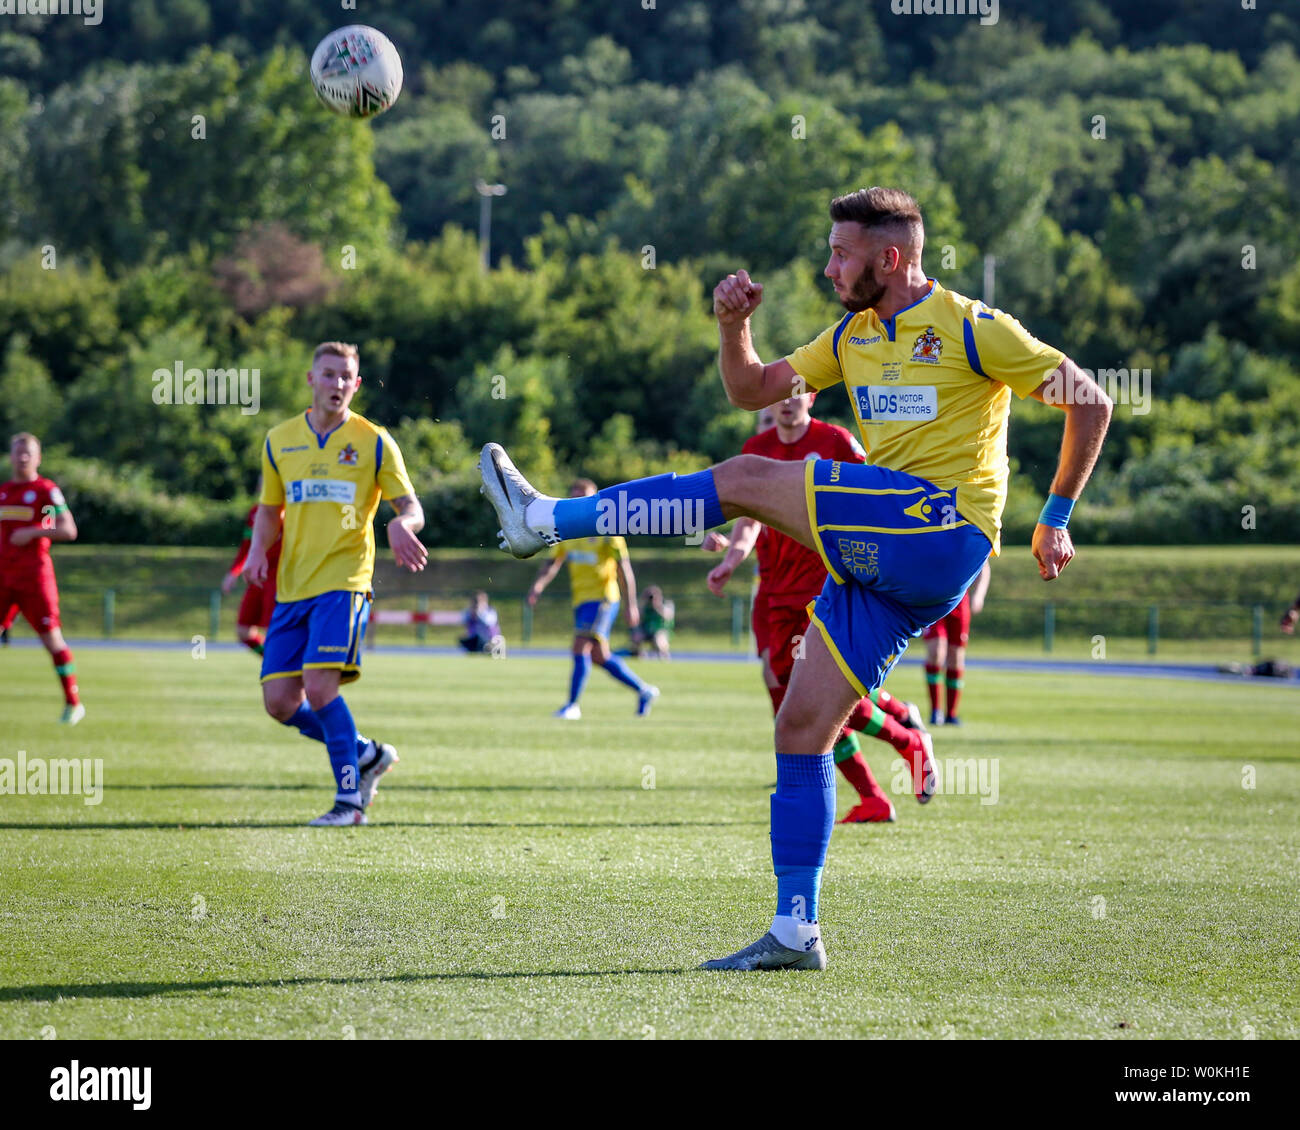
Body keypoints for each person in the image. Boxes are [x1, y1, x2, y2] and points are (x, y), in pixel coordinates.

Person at [480, 186, 1111, 970]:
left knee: (744, 474)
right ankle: (795, 929)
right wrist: (733, 327)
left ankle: (543, 522)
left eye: (841, 253)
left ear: (890, 257)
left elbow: (1088, 399)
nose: (827, 266)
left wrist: (1054, 515)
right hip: (892, 559)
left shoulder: (972, 326)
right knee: (801, 728)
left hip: (943, 527)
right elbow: (750, 388)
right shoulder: (850, 336)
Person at [705, 394, 932, 825]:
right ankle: (879, 780)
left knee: (813, 691)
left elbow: (873, 499)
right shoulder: (758, 450)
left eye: (796, 392)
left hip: (822, 587)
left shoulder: (838, 443)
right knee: (784, 687)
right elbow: (749, 519)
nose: (785, 402)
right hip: (773, 592)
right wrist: (731, 560)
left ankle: (900, 742)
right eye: (777, 394)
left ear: (810, 396)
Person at [244, 341, 428, 826]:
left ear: (357, 383)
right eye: (328, 375)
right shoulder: (279, 440)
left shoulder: (374, 441)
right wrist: (256, 551)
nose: (337, 384)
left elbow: (411, 507)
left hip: (345, 581)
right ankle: (366, 753)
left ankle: (349, 803)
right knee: (281, 702)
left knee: (321, 687)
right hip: (292, 586)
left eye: (347, 377)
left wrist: (400, 525)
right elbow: (269, 510)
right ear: (311, 379)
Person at [526, 478, 658, 719]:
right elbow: (552, 562)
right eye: (575, 495)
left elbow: (623, 569)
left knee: (580, 646)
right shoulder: (567, 529)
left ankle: (572, 705)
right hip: (582, 600)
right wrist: (537, 586)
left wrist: (631, 606)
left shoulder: (607, 527)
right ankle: (644, 690)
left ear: (595, 498)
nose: (579, 500)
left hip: (603, 599)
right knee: (599, 656)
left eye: (584, 495)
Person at [0, 432, 84, 723]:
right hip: (2, 577)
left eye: (28, 453)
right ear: (10, 456)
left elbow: (66, 530)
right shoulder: (4, 492)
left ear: (38, 458)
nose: (22, 457)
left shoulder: (45, 491)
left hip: (35, 578)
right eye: (17, 452)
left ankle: (73, 703)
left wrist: (33, 531)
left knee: (52, 640)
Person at [922, 559, 990, 725]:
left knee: (956, 657)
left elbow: (983, 564)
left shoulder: (966, 532)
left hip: (959, 601)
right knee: (936, 652)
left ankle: (951, 714)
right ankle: (935, 712)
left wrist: (979, 595)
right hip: (933, 600)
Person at [222, 493, 282, 657]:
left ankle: (283, 670)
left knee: (278, 633)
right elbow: (247, 546)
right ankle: (274, 662)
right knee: (243, 631)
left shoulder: (292, 510)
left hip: (280, 580)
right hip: (258, 578)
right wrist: (233, 572)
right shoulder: (256, 511)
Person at [638, 585, 674, 659]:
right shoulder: (645, 607)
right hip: (647, 631)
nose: (652, 599)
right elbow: (637, 618)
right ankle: (639, 655)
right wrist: (643, 602)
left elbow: (668, 616)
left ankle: (664, 656)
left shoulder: (666, 604)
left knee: (658, 640)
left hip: (661, 631)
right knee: (636, 636)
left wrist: (657, 606)